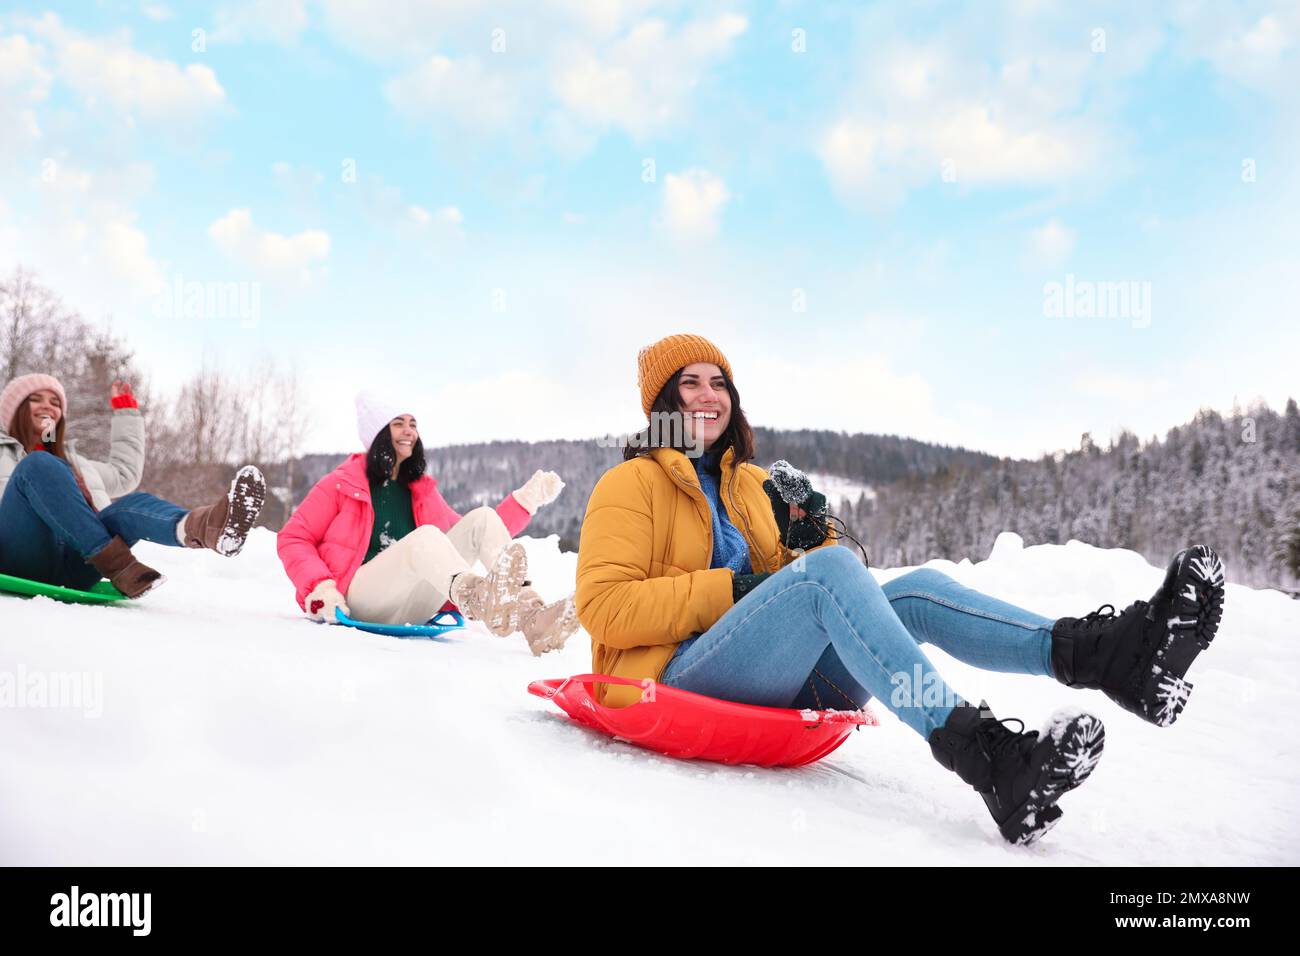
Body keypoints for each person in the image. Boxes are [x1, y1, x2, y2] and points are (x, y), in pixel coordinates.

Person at [575, 334, 1226, 845]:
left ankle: (1102, 655)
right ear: (662, 402)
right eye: (689, 383)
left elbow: (827, 588)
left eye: (720, 382)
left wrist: (812, 536)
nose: (709, 395)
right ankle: (991, 758)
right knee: (827, 580)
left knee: (912, 592)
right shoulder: (629, 486)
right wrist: (737, 588)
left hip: (771, 678)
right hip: (672, 682)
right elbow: (604, 610)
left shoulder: (749, 487)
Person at [277, 391, 579, 654]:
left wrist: (524, 502)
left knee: (482, 519)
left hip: (412, 603)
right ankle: (476, 597)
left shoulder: (420, 490)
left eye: (412, 424)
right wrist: (321, 587)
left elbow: (474, 537)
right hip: (359, 599)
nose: (409, 431)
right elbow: (294, 537)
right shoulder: (341, 484)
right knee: (426, 537)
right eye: (398, 423)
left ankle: (533, 618)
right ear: (378, 433)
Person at [0, 372, 267, 598]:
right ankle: (120, 566)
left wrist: (126, 412)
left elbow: (124, 473)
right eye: (35, 399)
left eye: (55, 402)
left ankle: (209, 527)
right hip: (19, 556)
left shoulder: (79, 465)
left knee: (128, 507)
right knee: (38, 464)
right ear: (14, 412)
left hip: (77, 564)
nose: (48, 406)